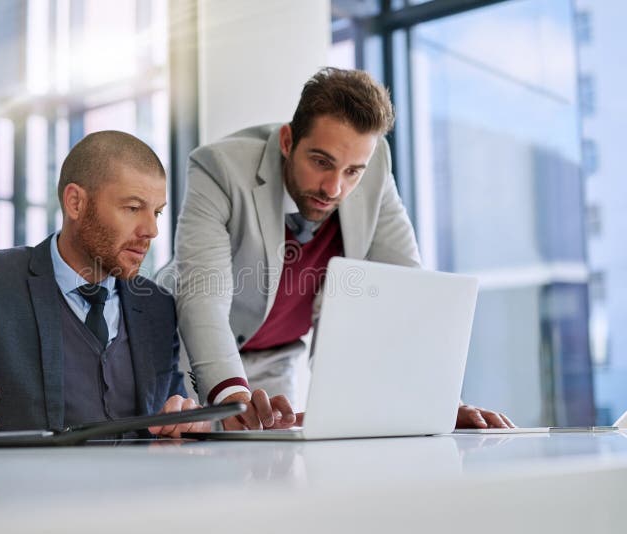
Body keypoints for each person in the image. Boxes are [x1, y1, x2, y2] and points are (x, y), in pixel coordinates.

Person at [164, 67, 514, 431]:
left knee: (275, 462)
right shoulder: (220, 168)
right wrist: (228, 393)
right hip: (193, 353)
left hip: (275, 361)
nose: (333, 188)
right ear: (287, 141)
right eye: (321, 162)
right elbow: (203, 295)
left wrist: (441, 402)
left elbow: (406, 295)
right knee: (193, 458)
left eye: (352, 172)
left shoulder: (374, 167)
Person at [0, 130, 206, 439]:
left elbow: (172, 416)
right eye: (133, 208)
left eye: (157, 213)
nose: (151, 230)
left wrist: (185, 423)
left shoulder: (157, 307)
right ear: (75, 202)